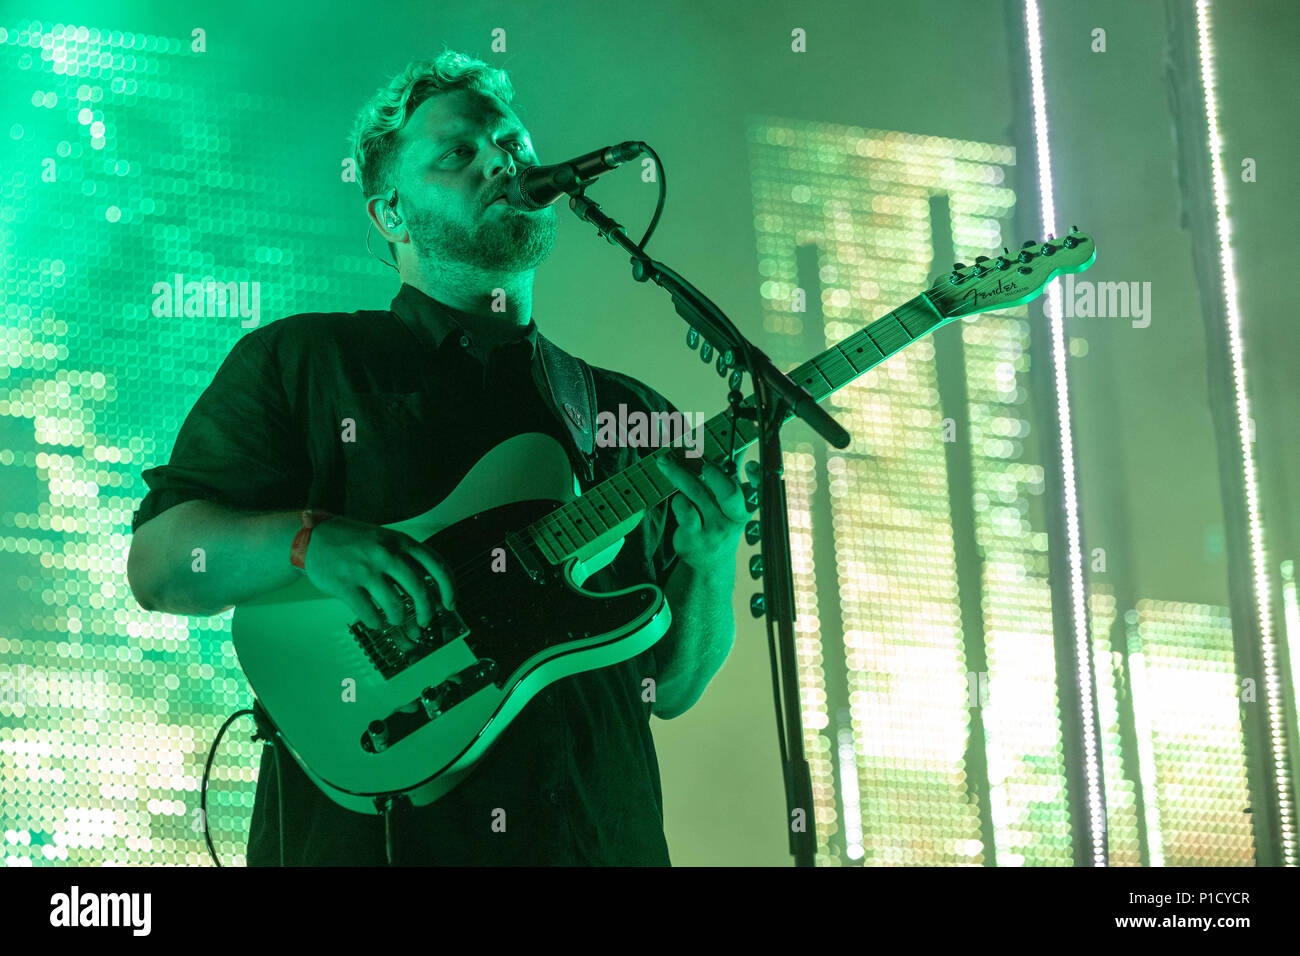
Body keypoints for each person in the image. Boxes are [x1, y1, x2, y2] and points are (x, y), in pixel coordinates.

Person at [126, 49, 747, 865]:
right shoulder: (307, 361)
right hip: (377, 841)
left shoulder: (626, 413)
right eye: (459, 152)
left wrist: (709, 565)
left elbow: (667, 686)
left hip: (600, 836)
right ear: (391, 213)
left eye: (513, 145)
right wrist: (307, 541)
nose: (502, 160)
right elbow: (162, 566)